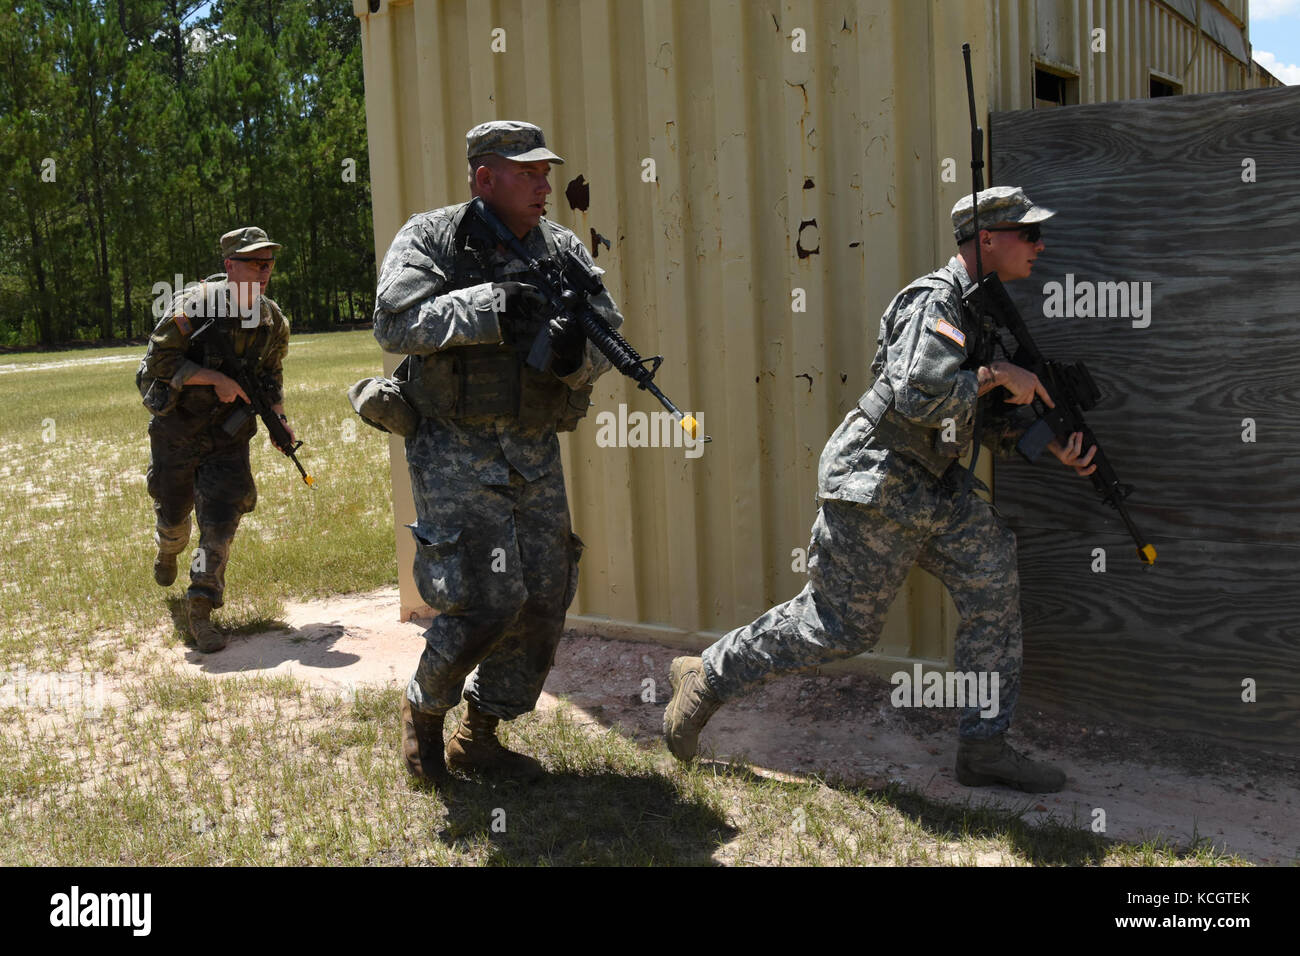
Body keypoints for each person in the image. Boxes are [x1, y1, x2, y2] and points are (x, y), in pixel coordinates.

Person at [663, 186, 1097, 793]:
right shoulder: (935, 301)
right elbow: (920, 397)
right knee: (836, 627)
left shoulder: (980, 312)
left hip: (935, 486)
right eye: (1028, 234)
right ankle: (707, 675)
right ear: (988, 238)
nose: (1039, 244)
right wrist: (999, 374)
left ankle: (984, 746)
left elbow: (970, 418)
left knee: (993, 579)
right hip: (878, 480)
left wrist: (1047, 441)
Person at [372, 120, 619, 784]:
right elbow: (394, 322)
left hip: (531, 442)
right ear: (485, 178)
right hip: (453, 443)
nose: (545, 186)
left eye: (546, 173)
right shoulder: (432, 238)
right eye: (528, 173)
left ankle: (480, 733)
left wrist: (574, 359)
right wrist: (491, 304)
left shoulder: (560, 246)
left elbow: (609, 331)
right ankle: (424, 716)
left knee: (544, 592)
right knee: (486, 599)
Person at [137, 226, 293, 653]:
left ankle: (201, 604)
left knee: (222, 516)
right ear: (229, 266)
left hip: (229, 433)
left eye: (268, 263)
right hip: (179, 425)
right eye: (253, 262)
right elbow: (158, 362)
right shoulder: (193, 307)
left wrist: (279, 420)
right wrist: (215, 379)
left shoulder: (271, 319)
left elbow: (270, 375)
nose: (263, 271)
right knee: (174, 511)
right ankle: (169, 546)